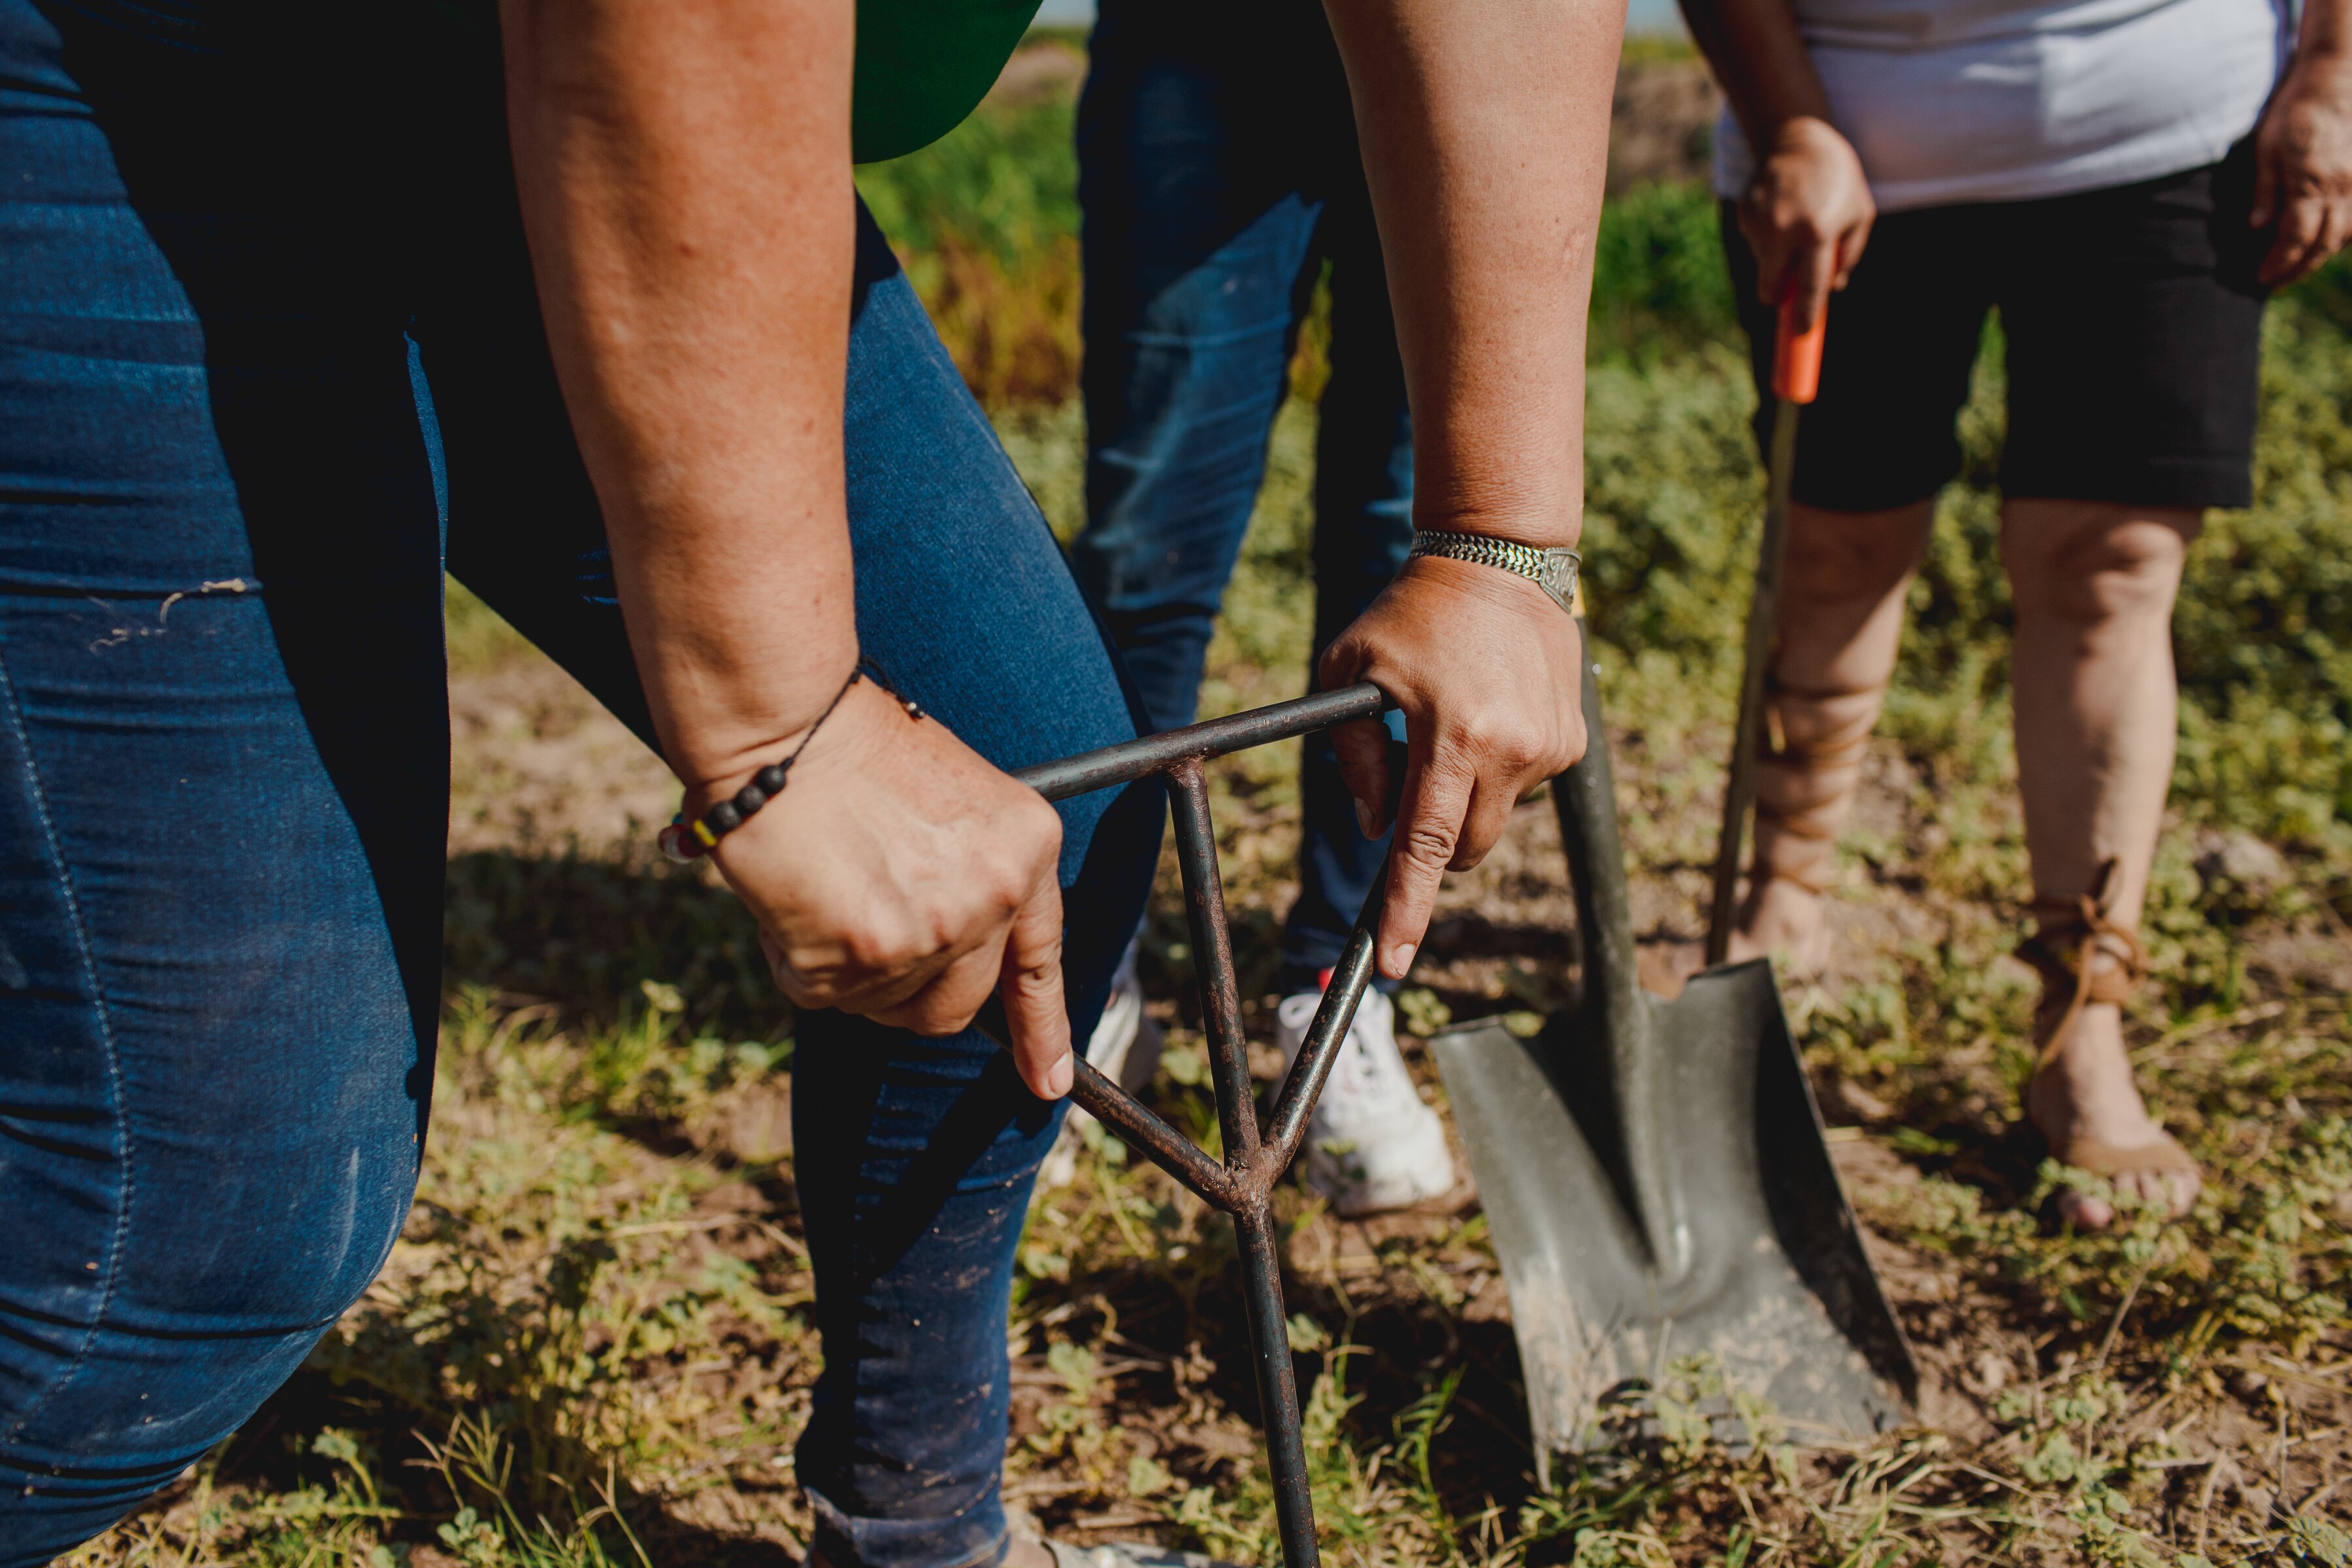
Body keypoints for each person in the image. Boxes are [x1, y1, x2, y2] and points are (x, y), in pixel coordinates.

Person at [0, 0, 1614, 1560]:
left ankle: (916, 1531)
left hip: (536, 91)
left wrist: (1502, 536)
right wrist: (781, 734)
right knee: (188, 1223)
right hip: (138, 73)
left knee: (1045, 807)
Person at [1682, 0, 2352, 1228]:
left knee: (2114, 562)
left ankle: (2082, 1016)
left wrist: (2331, 62)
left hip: (2165, 122)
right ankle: (1782, 902)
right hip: (1841, 128)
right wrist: (1787, 116)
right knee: (1838, 543)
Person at [1066, 0, 1446, 1215]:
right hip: (1205, 32)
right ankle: (1092, 981)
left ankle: (1338, 1002)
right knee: (1145, 549)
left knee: (1412, 550)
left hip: (1461, 43)